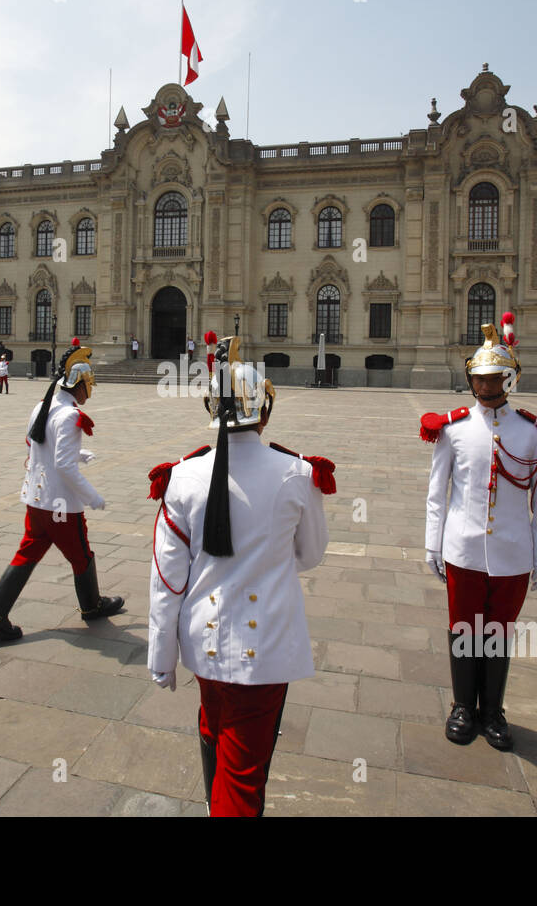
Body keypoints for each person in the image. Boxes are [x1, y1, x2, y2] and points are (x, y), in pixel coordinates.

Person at [147, 336, 335, 816]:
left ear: (210, 408)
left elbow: (168, 582)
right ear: (265, 411)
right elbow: (310, 554)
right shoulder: (296, 474)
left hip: (202, 645)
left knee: (214, 734)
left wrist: (161, 658)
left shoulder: (182, 477)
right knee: (243, 773)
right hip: (266, 648)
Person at [421, 311, 537, 750]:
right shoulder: (453, 431)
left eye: (494, 379)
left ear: (509, 380)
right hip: (463, 548)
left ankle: (493, 711)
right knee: (464, 629)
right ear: (471, 381)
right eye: (480, 379)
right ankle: (463, 707)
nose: (486, 387)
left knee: (499, 632)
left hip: (512, 552)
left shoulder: (532, 434)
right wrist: (432, 544)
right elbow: (436, 494)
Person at [0, 338, 122, 640]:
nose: (90, 390)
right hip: (60, 505)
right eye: (88, 384)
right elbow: (64, 467)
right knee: (81, 555)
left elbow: (36, 443)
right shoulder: (70, 415)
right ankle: (92, 606)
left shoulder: (44, 405)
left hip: (36, 498)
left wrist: (78, 453)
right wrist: (91, 496)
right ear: (78, 384)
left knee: (28, 552)